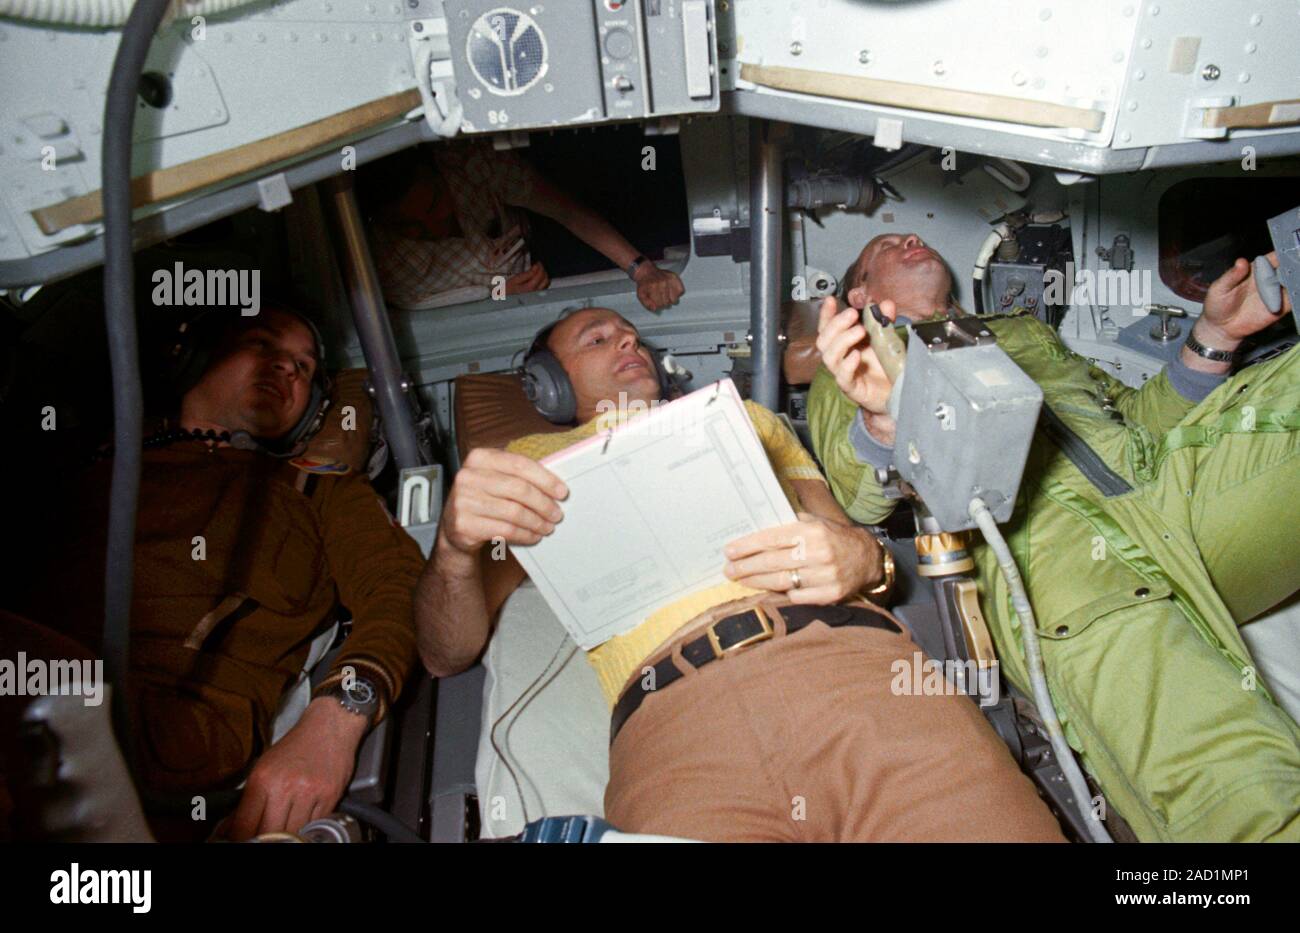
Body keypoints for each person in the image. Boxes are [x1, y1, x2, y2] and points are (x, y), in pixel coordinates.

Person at [415, 305, 1066, 842]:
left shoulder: (746, 420)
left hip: (849, 667)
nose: (628, 341)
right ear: (547, 381)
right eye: (598, 337)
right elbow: (448, 653)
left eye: (631, 332)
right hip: (676, 730)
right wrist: (452, 546)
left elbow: (871, 561)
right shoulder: (525, 465)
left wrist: (865, 559)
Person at [809, 232, 1300, 841]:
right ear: (860, 291)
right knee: (1242, 793)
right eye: (887, 243)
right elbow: (861, 491)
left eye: (911, 233)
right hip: (1055, 549)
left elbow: (1132, 423)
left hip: (1169, 491)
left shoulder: (1021, 332)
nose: (911, 237)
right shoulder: (856, 364)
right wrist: (884, 415)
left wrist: (1218, 335)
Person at [12, 306, 425, 841]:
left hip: (165, 738)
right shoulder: (83, 464)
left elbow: (399, 591)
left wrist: (333, 721)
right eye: (264, 344)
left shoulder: (316, 489)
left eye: (305, 366)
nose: (289, 370)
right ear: (194, 358)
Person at [363, 139, 685, 312]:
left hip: (539, 240)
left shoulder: (469, 164)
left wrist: (642, 270)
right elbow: (431, 311)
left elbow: (566, 211)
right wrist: (499, 292)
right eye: (411, 227)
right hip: (494, 307)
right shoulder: (386, 267)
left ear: (440, 176)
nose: (434, 226)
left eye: (435, 204)